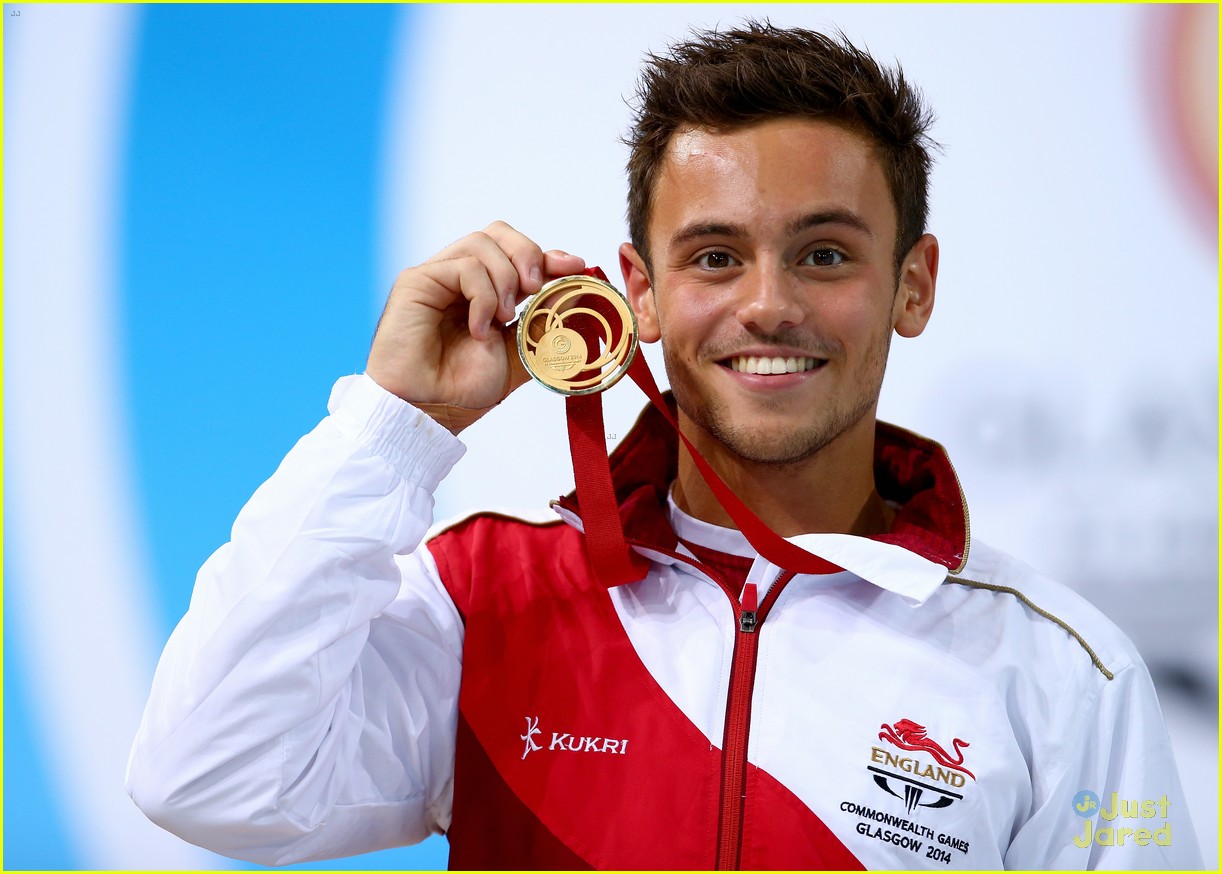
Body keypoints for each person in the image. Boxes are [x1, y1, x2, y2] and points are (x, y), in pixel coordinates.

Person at [125, 21, 1202, 870]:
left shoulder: (1058, 673)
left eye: (826, 254)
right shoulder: (484, 605)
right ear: (636, 292)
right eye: (715, 257)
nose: (768, 304)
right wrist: (395, 427)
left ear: (912, 285)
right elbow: (205, 775)